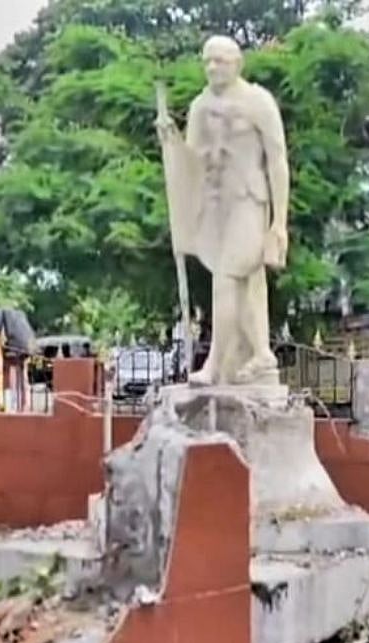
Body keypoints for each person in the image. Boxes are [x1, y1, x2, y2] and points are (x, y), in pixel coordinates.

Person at [156, 35, 290, 386]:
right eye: (208, 61)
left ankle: (216, 364)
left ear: (238, 63)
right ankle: (260, 354)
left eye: (220, 61)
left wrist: (280, 222)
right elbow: (192, 162)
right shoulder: (200, 107)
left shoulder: (258, 101)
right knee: (247, 283)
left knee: (227, 276)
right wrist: (170, 143)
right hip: (217, 204)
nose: (213, 67)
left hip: (249, 199)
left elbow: (277, 160)